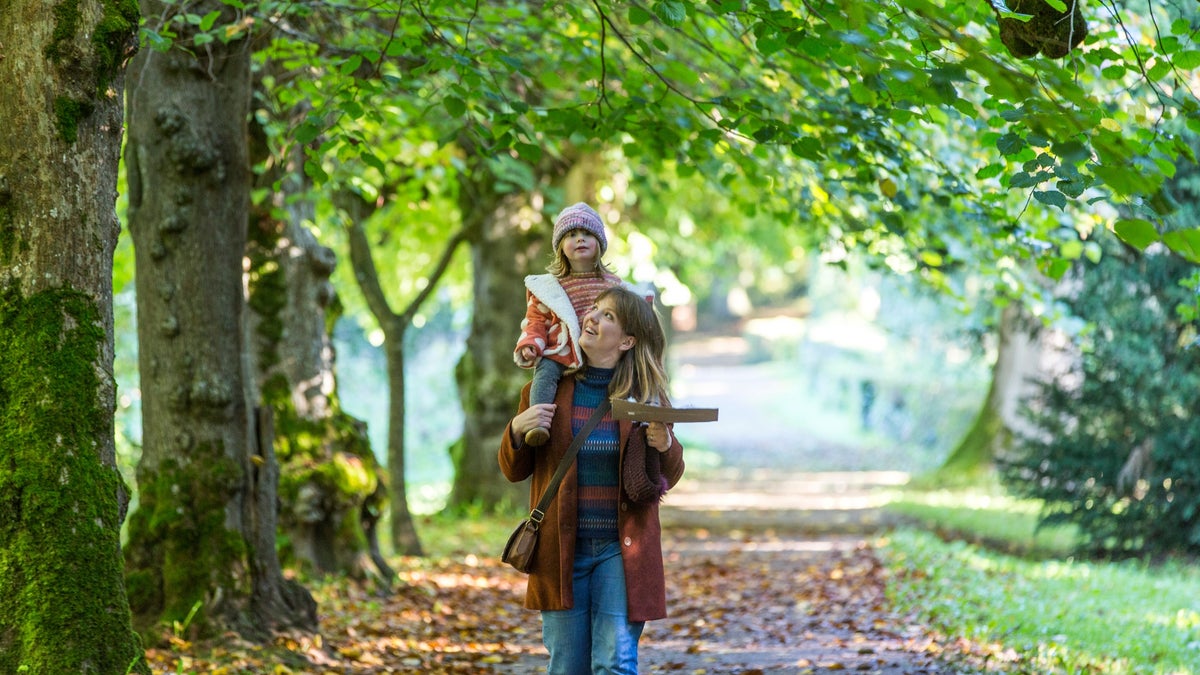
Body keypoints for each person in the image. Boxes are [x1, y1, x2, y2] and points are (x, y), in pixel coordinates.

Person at [498, 285, 685, 675]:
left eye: (608, 316)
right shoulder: (546, 392)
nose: (592, 318)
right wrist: (516, 429)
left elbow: (670, 473)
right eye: (595, 310)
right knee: (567, 666)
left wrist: (665, 443)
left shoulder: (646, 397)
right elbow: (514, 471)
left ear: (628, 340)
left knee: (615, 662)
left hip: (622, 549)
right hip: (561, 550)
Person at [514, 202, 624, 446]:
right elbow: (536, 320)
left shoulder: (613, 285)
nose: (580, 239)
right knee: (545, 371)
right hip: (561, 349)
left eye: (587, 234)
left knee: (628, 371)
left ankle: (637, 416)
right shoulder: (549, 288)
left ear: (599, 243)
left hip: (601, 349)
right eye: (572, 235)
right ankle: (538, 422)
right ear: (561, 247)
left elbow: (625, 317)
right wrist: (531, 344)